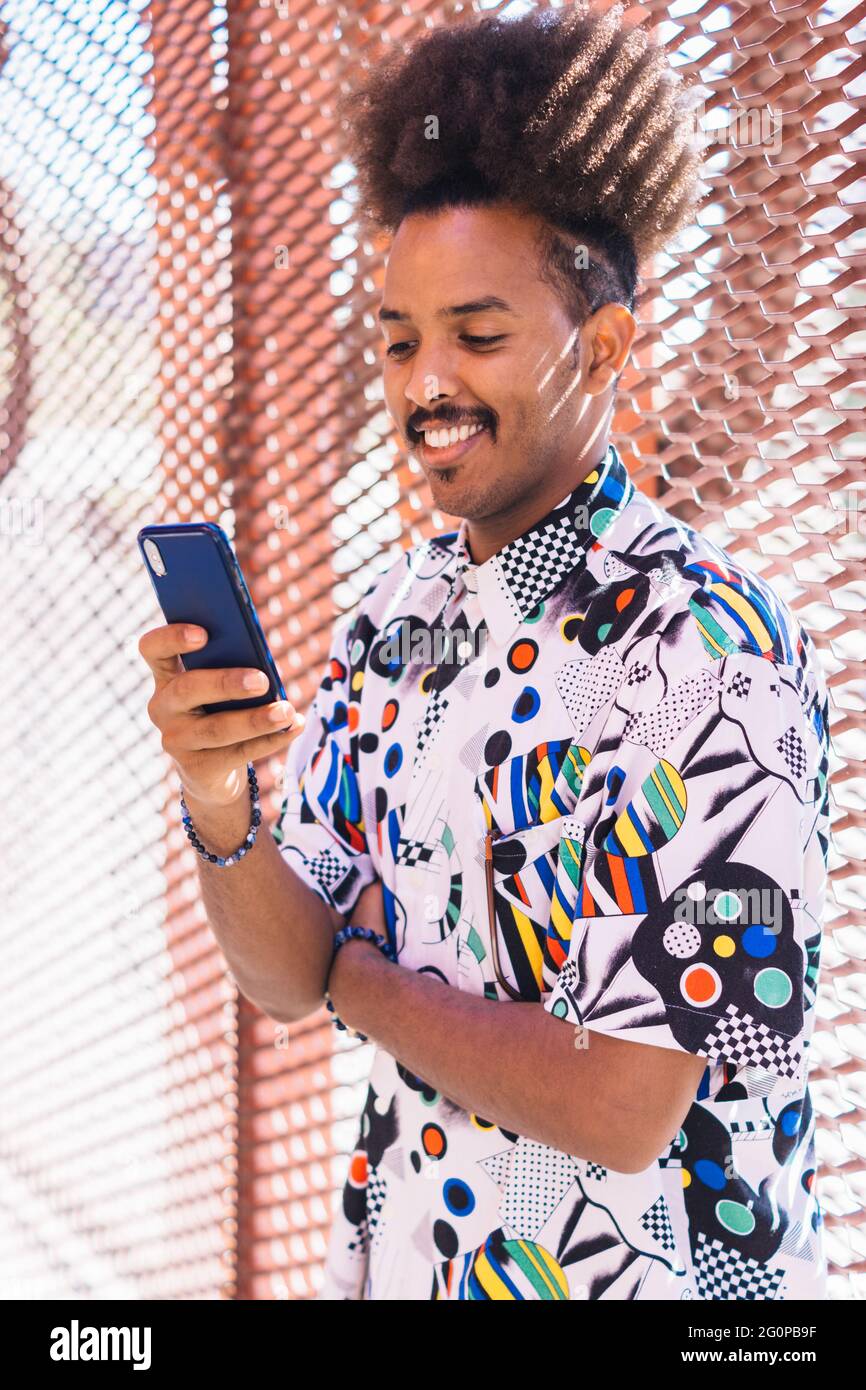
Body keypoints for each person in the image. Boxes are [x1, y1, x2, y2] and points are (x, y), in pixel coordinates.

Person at [141, 3, 830, 1300]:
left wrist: (361, 975)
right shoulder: (393, 622)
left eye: (477, 332)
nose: (422, 383)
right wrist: (217, 794)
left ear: (605, 346)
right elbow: (281, 972)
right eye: (397, 340)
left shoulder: (715, 650)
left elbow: (623, 1097)